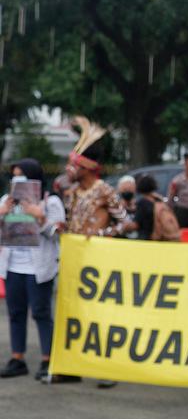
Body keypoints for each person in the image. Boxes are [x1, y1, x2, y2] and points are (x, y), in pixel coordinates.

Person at [61, 118, 134, 388]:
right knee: (75, 314)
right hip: (74, 261)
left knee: (102, 316)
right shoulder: (72, 193)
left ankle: (108, 368)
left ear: (87, 167)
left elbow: (126, 222)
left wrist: (99, 236)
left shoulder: (104, 190)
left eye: (75, 164)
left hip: (98, 263)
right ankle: (71, 367)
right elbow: (73, 224)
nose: (70, 169)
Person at [0, 159, 66, 382]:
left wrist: (40, 216)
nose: (17, 182)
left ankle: (48, 359)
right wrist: (2, 213)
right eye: (14, 178)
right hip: (13, 267)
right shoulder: (6, 201)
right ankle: (17, 358)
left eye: (22, 177)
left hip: (38, 268)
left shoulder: (51, 202)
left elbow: (59, 234)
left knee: (41, 312)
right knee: (16, 312)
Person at [131, 174, 180, 241]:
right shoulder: (159, 200)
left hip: (147, 238)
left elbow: (136, 225)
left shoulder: (142, 203)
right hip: (161, 237)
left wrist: (123, 227)